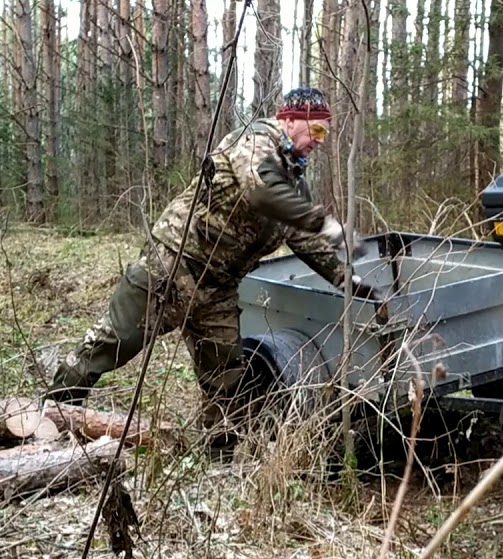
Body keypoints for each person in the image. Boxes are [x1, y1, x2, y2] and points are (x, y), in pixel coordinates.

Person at [44, 87, 382, 450]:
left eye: (324, 134)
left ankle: (217, 458)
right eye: (316, 131)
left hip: (218, 288)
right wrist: (325, 223)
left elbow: (302, 238)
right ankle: (51, 420)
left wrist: (348, 279)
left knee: (225, 380)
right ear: (289, 119)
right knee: (109, 344)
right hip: (172, 270)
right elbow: (261, 193)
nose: (320, 141)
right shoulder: (256, 140)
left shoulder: (294, 179)